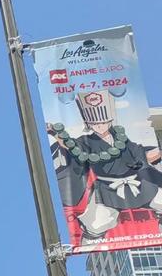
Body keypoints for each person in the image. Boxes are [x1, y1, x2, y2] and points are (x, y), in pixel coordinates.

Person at [47, 89, 162, 243]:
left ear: (110, 120)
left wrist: (153, 153)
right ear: (89, 124)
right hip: (107, 188)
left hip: (139, 182)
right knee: (96, 223)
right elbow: (71, 146)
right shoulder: (85, 141)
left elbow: (137, 151)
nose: (100, 126)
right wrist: (57, 135)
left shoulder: (121, 137)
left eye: (103, 122)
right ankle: (88, 244)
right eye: (95, 123)